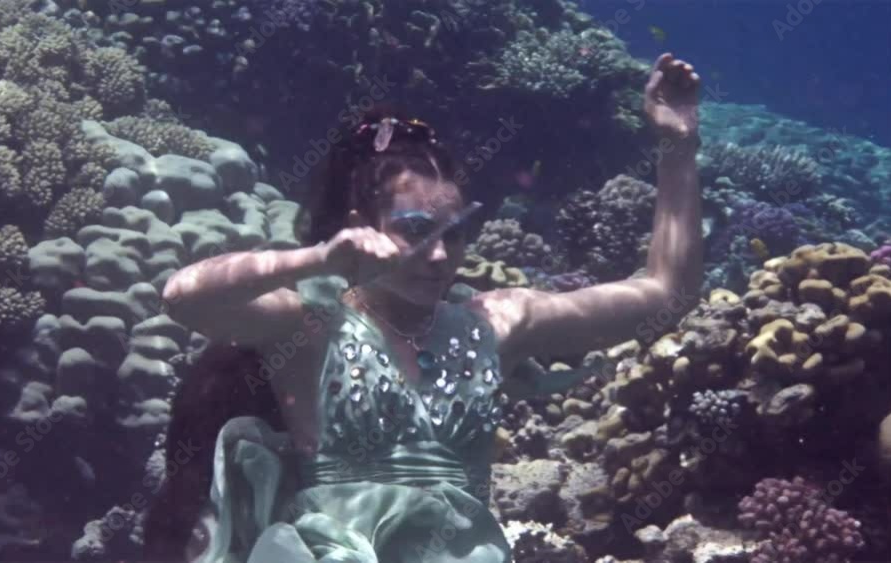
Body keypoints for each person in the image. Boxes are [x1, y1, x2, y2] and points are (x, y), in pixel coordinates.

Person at [145, 52, 704, 562]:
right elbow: (184, 296)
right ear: (362, 227)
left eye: (454, 233)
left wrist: (677, 146)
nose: (439, 255)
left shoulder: (499, 323)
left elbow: (665, 294)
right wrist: (315, 259)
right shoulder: (311, 326)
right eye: (415, 230)